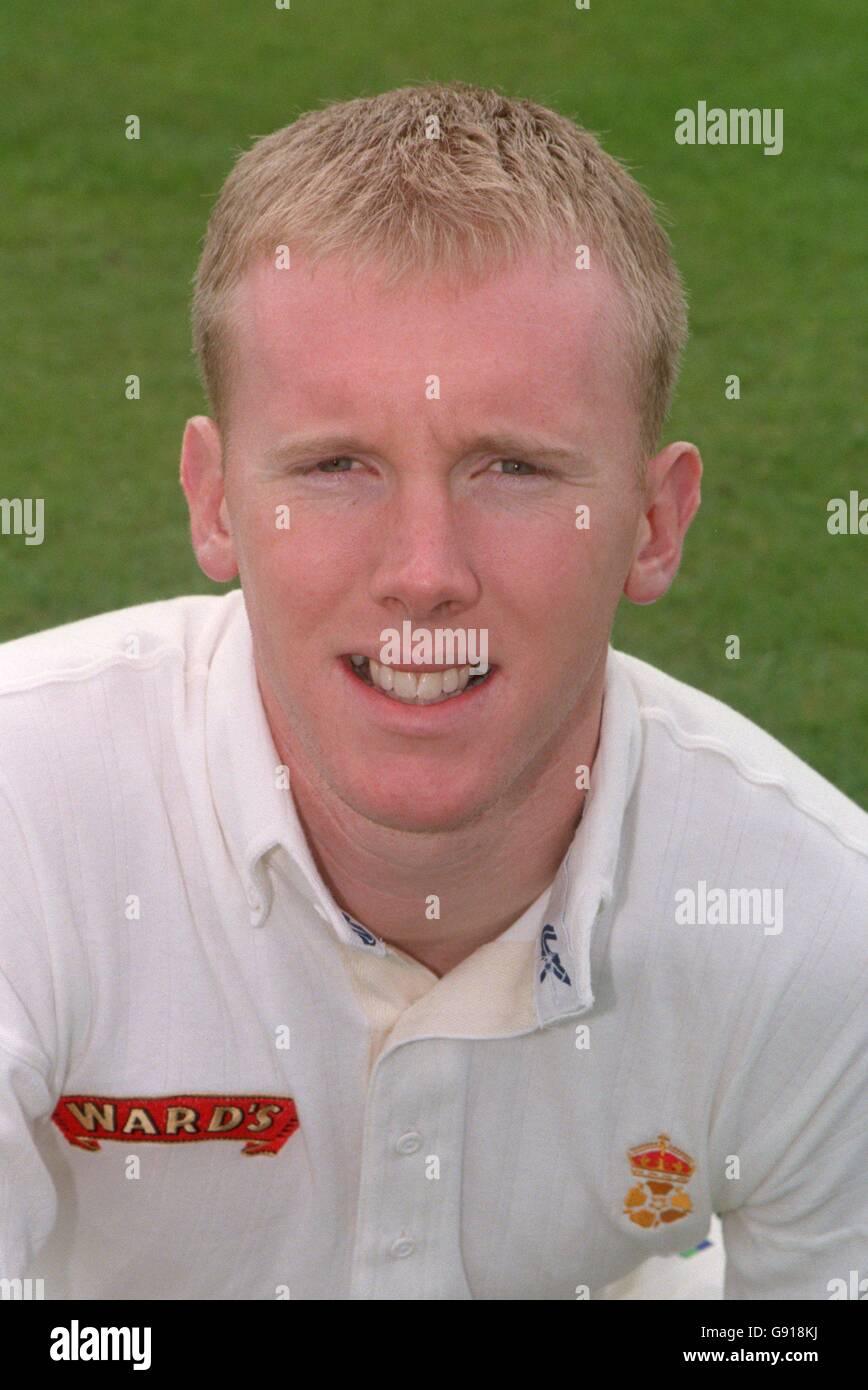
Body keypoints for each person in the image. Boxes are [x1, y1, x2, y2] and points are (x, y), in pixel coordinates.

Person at [1, 82, 865, 1302]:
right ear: (213, 502)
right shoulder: (21, 816)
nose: (423, 573)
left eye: (512, 468)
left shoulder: (819, 929)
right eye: (336, 465)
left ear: (654, 522)